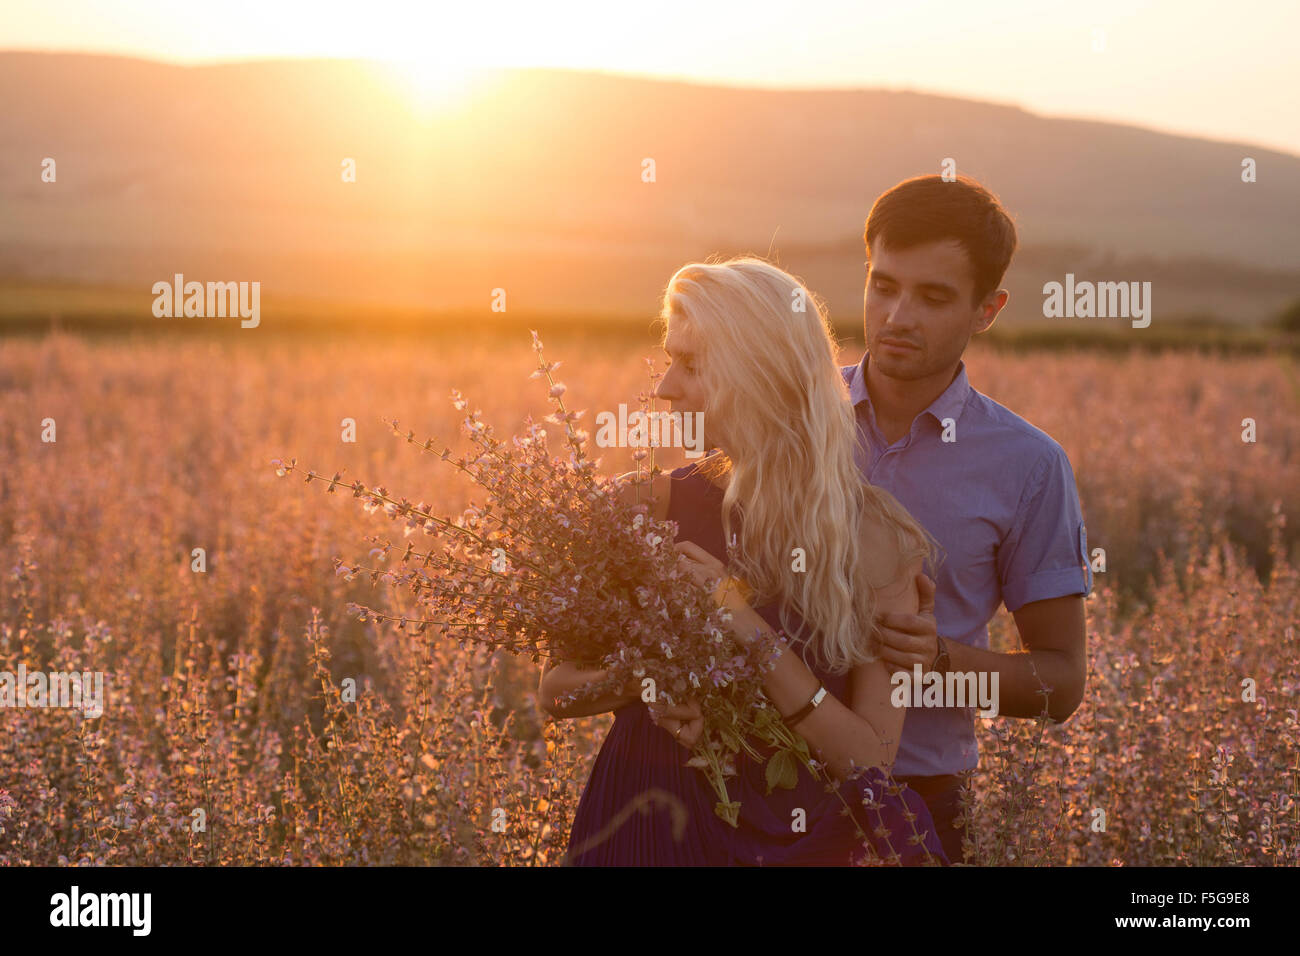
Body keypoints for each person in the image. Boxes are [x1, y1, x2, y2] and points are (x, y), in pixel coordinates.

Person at [540, 257, 949, 865]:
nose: (664, 386)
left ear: (758, 374)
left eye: (693, 364)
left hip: (805, 845)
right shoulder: (636, 509)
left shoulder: (876, 537)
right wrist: (649, 681)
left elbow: (867, 760)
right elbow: (556, 691)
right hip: (647, 828)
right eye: (670, 357)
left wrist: (743, 624)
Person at [846, 174, 1093, 863]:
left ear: (988, 309)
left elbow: (1061, 684)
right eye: (883, 285)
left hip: (919, 794)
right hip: (758, 772)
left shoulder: (1029, 465)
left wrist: (936, 664)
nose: (897, 315)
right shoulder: (790, 418)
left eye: (933, 297)